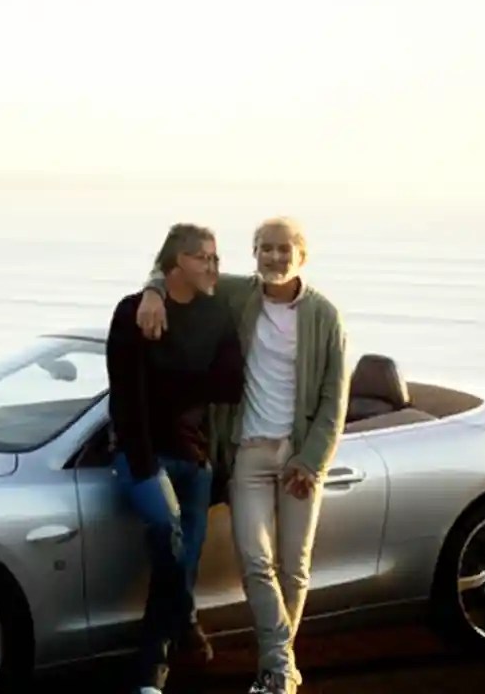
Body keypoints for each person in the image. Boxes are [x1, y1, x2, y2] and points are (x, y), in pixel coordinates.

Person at [134, 216, 349, 694]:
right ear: (254, 254)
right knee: (255, 561)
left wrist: (311, 461)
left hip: (299, 459)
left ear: (302, 256)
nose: (274, 257)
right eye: (265, 249)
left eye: (283, 249)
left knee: (294, 569)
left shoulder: (325, 316)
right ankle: (281, 670)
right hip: (248, 455)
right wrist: (151, 291)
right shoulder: (237, 295)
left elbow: (336, 400)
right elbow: (176, 274)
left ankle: (275, 670)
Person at [105, 222, 246, 694]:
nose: (214, 266)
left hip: (196, 459)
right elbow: (126, 400)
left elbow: (230, 382)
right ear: (175, 264)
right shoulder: (132, 314)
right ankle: (154, 663)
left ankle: (180, 623)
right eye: (203, 258)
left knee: (185, 559)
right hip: (143, 454)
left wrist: (180, 384)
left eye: (216, 258)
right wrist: (144, 462)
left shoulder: (217, 312)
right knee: (168, 533)